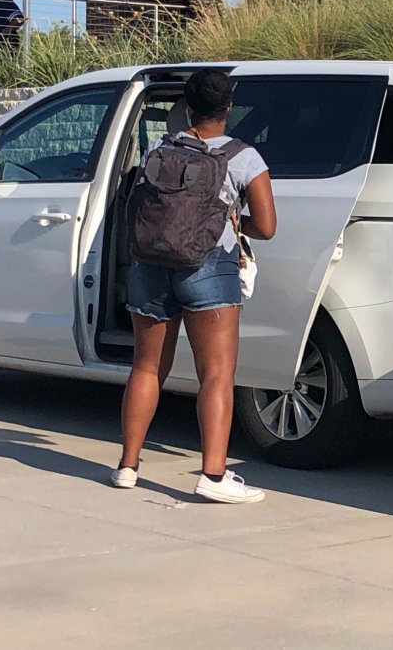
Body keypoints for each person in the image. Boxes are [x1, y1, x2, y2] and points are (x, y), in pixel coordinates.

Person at [111, 69, 277, 504]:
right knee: (216, 375)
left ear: (187, 108)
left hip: (151, 265)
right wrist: (231, 220)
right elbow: (266, 227)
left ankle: (128, 466)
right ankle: (214, 475)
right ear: (229, 108)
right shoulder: (244, 157)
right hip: (209, 267)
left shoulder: (159, 147)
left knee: (146, 367)